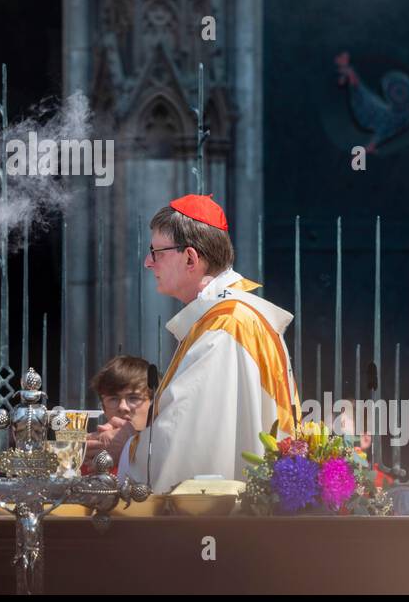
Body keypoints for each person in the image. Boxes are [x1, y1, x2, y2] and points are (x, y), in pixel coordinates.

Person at [107, 194, 300, 493]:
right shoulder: (224, 317)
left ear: (190, 259)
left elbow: (183, 446)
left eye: (155, 252)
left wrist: (125, 448)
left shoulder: (225, 326)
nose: (147, 262)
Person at [82, 355, 153, 474]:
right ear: (103, 407)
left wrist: (132, 449)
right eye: (113, 399)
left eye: (134, 398)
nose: (122, 407)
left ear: (153, 403)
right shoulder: (90, 450)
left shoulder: (167, 448)